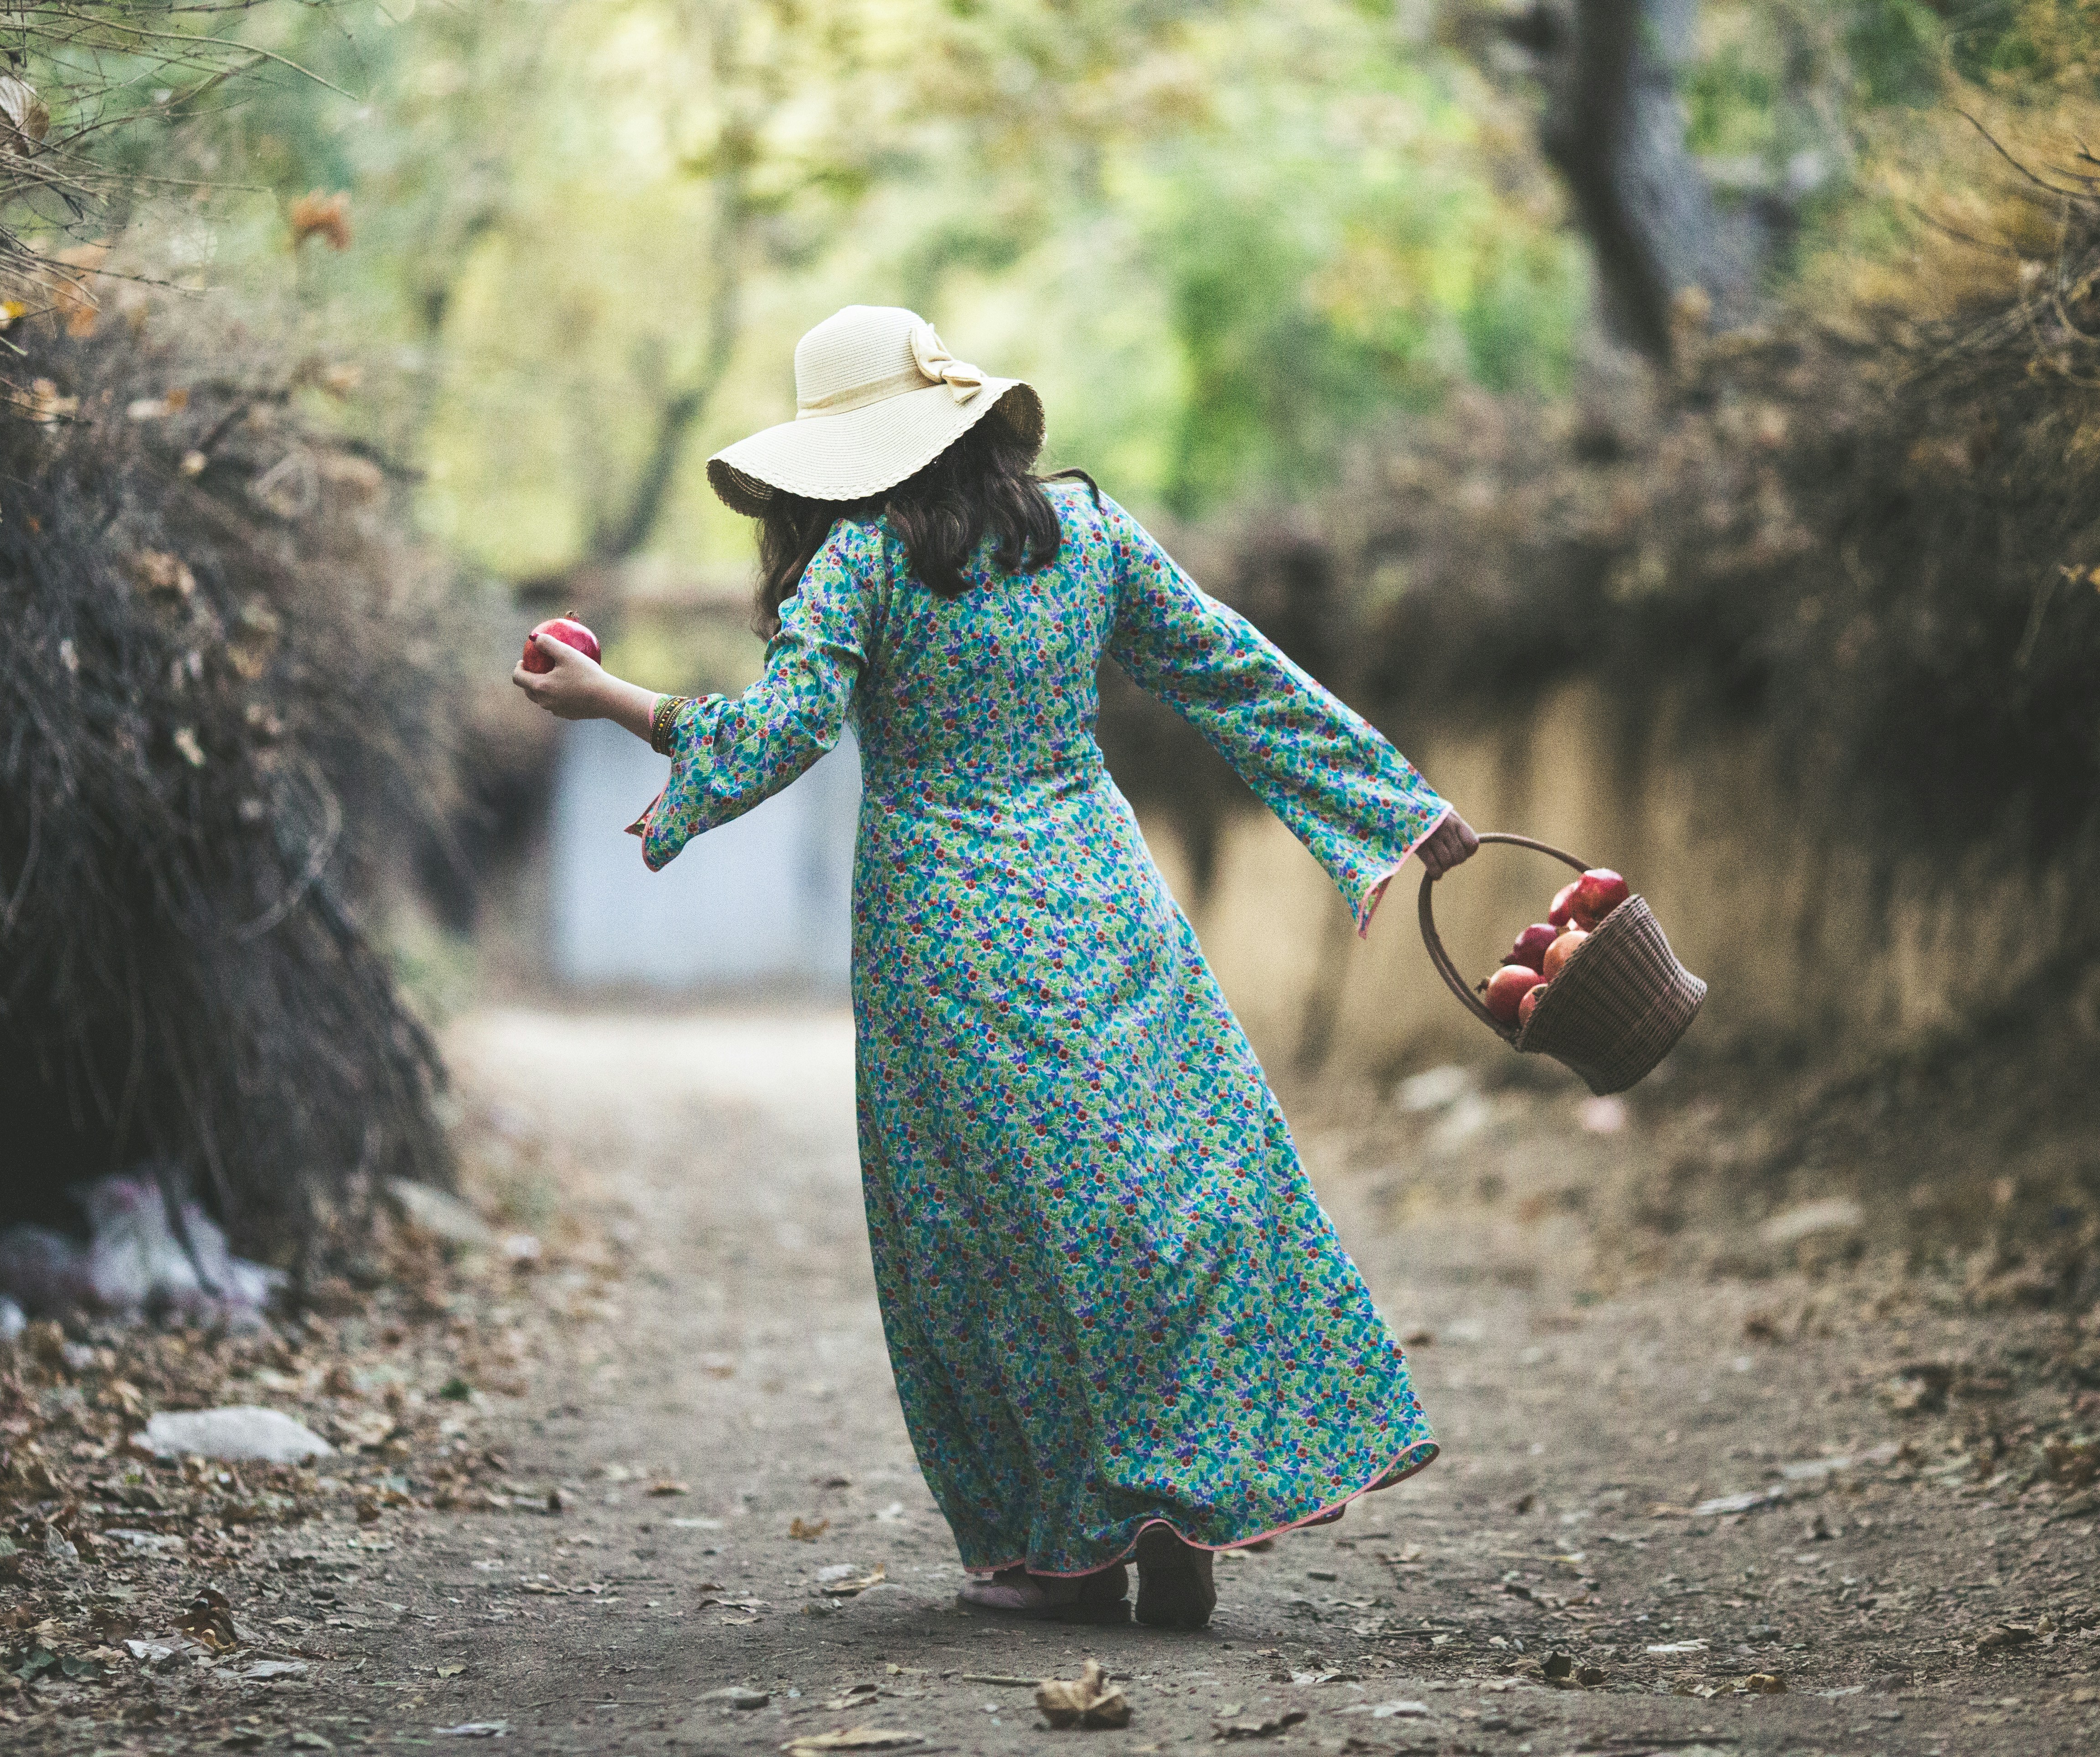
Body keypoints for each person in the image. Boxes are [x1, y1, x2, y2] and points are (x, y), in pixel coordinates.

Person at [512, 305, 1478, 1629]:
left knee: (990, 1236)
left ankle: (1063, 1546)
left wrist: (615, 702)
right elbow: (1231, 669)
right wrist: (1398, 807)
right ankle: (1175, 1500)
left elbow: (786, 730)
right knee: (1172, 1186)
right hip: (1101, 901)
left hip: (944, 931)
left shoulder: (857, 561)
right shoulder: (1085, 533)